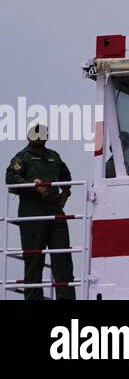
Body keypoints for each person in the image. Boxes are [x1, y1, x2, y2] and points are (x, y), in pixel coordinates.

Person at [5, 124, 75, 300]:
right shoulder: (22, 158)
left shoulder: (54, 156)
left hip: (55, 212)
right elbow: (11, 177)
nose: (39, 139)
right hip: (32, 215)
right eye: (36, 136)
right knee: (34, 258)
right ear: (29, 137)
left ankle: (66, 297)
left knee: (63, 258)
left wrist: (65, 193)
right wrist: (35, 186)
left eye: (42, 136)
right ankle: (34, 297)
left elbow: (66, 176)